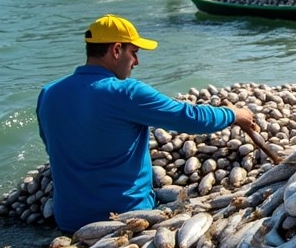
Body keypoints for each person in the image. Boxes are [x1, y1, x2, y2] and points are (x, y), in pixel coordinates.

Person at [37, 15, 259, 232]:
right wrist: (234, 113)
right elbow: (189, 117)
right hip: (125, 217)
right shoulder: (127, 92)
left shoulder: (48, 94)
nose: (136, 62)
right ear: (116, 50)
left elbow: (52, 147)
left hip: (69, 220)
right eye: (133, 53)